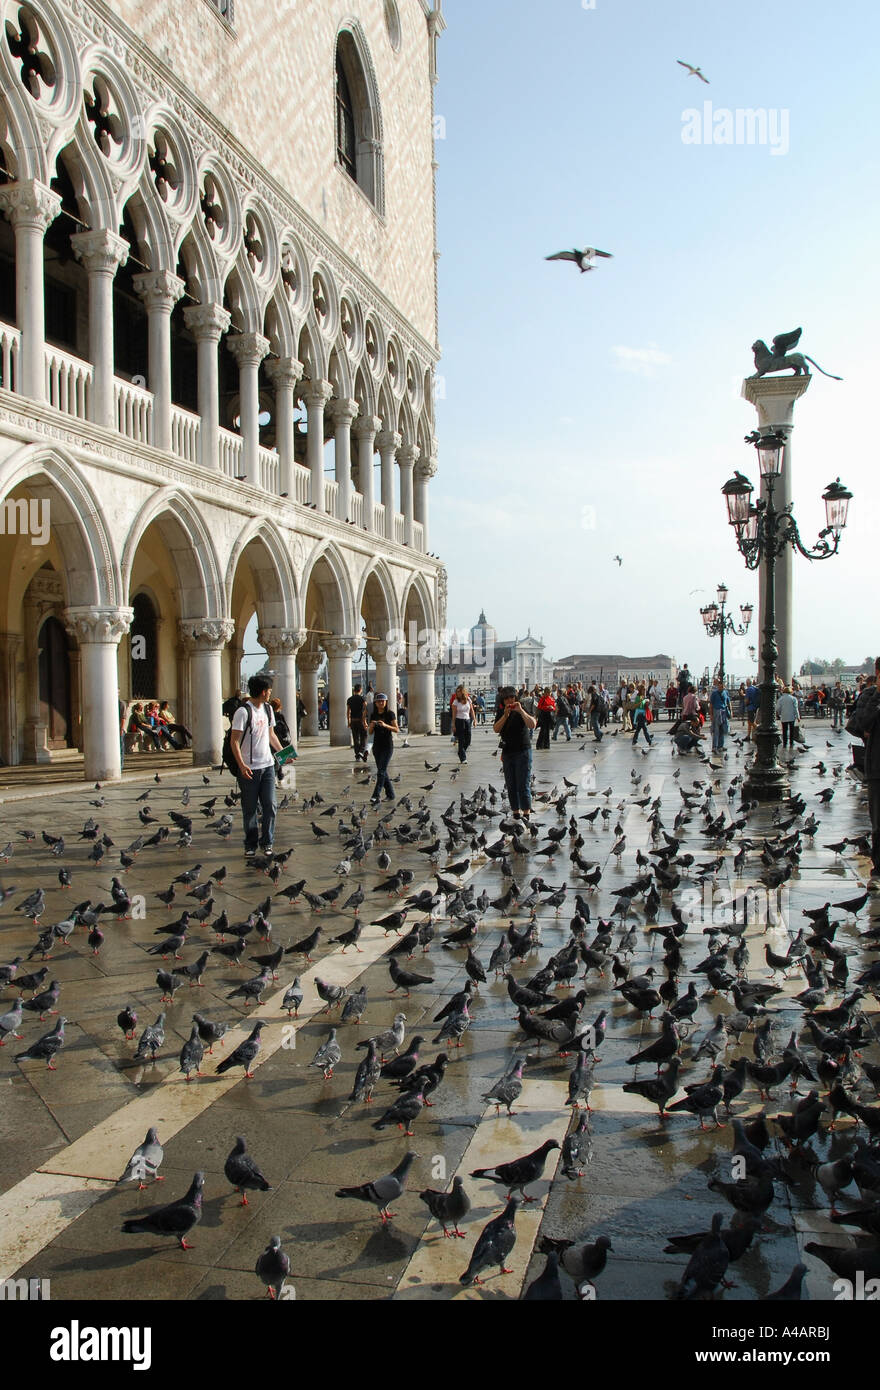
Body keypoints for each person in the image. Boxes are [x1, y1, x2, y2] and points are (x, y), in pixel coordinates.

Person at [230, 675, 283, 857]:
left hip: (267, 766)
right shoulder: (243, 712)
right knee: (250, 809)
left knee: (270, 805)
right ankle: (250, 844)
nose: (270, 693)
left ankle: (267, 842)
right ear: (263, 691)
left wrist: (284, 754)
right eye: (269, 690)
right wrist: (242, 765)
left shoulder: (268, 709)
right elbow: (234, 741)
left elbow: (271, 735)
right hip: (249, 769)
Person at [494, 686, 537, 821]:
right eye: (506, 698)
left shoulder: (523, 707)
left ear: (516, 697)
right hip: (508, 752)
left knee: (523, 783)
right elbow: (496, 729)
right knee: (511, 784)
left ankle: (526, 813)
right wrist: (505, 716)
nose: (509, 700)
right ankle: (516, 812)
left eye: (511, 697)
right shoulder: (502, 711)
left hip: (523, 750)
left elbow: (533, 724)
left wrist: (521, 711)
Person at [369, 693, 399, 804]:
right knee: (383, 771)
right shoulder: (373, 715)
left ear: (386, 702)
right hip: (377, 746)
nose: (381, 703)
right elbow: (370, 732)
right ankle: (390, 794)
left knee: (381, 771)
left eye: (383, 701)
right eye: (379, 701)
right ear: (375, 703)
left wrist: (385, 725)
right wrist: (371, 726)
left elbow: (396, 729)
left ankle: (376, 795)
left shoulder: (390, 714)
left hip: (387, 746)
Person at [451, 686, 475, 763]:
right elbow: (454, 714)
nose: (457, 693)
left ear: (463, 692)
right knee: (461, 740)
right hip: (459, 721)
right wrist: (453, 724)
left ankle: (461, 752)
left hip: (467, 720)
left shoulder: (468, 699)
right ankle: (463, 758)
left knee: (468, 740)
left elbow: (471, 710)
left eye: (459, 691)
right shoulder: (455, 702)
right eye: (457, 691)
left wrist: (475, 720)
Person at [347, 683, 368, 762]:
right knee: (364, 736)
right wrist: (365, 721)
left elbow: (348, 711)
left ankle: (357, 756)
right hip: (360, 720)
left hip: (353, 720)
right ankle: (361, 751)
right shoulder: (362, 699)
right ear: (360, 690)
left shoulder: (349, 699)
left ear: (354, 690)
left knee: (355, 738)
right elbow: (365, 710)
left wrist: (348, 721)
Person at [709, 678, 731, 754]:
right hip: (716, 711)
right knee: (716, 730)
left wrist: (730, 711)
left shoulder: (726, 692)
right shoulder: (714, 693)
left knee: (722, 729)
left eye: (722, 686)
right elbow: (711, 704)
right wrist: (711, 714)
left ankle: (720, 746)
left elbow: (728, 702)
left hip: (724, 711)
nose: (721, 688)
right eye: (720, 686)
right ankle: (714, 746)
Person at [776, 685, 799, 750]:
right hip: (791, 716)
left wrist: (779, 713)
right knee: (792, 730)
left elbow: (778, 708)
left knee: (784, 730)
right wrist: (798, 716)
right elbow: (795, 708)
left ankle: (785, 743)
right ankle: (791, 742)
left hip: (784, 716)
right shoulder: (793, 699)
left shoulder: (781, 699)